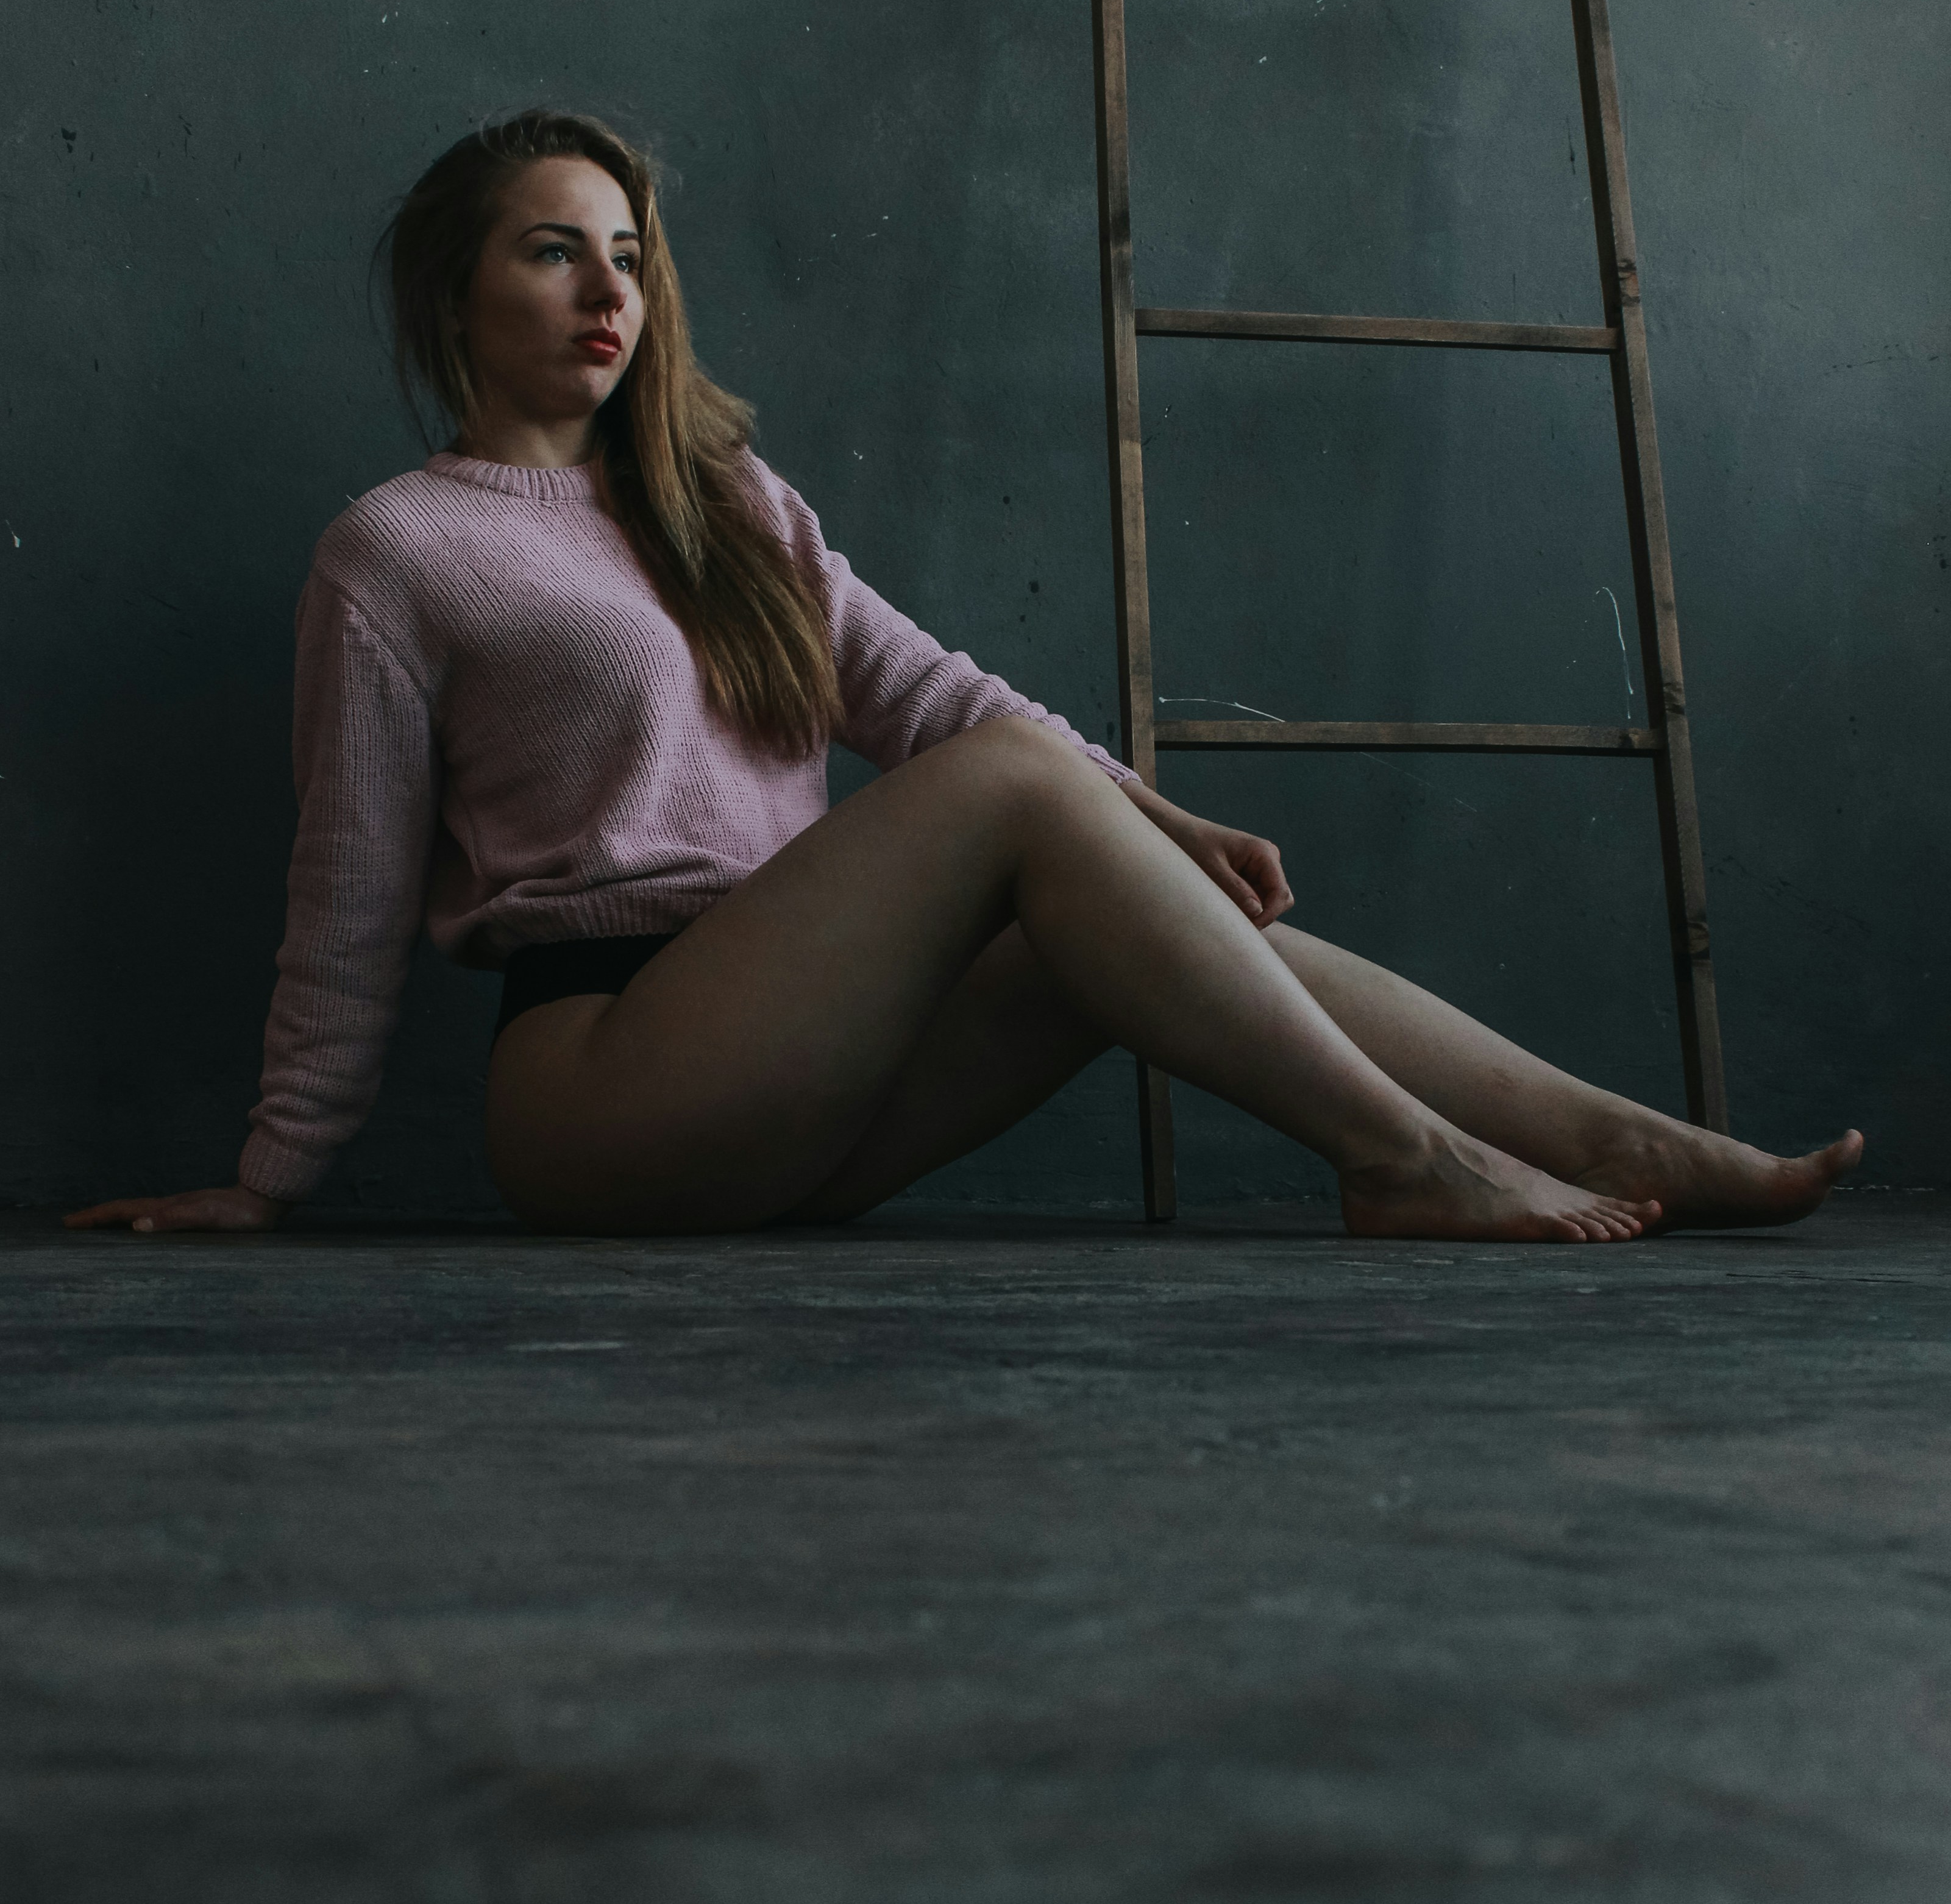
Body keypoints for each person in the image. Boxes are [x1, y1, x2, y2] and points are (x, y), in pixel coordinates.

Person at [69, 110, 1860, 1246]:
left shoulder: (725, 503)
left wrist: (1152, 821)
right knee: (1016, 799)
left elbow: (929, 693)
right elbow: (351, 882)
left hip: (812, 1079)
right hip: (612, 1084)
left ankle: (1626, 1136)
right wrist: (269, 1172)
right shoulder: (396, 549)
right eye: (552, 248)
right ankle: (1406, 1160)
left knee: (1116, 896)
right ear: (453, 297)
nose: (606, 288)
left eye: (628, 252)